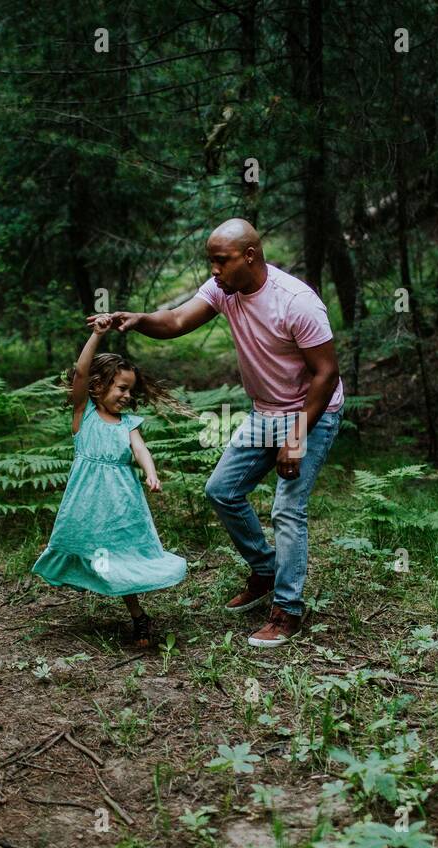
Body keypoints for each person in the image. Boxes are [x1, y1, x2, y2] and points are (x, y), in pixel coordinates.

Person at [95, 218, 343, 648]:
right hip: (264, 412)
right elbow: (174, 321)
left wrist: (296, 437)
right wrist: (136, 320)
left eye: (221, 261)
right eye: (210, 261)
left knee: (287, 509)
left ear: (249, 256)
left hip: (310, 413)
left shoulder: (296, 302)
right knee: (222, 490)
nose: (214, 270)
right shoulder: (225, 291)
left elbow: (326, 373)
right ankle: (266, 570)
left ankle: (287, 611)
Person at [30, 315, 187, 647]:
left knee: (122, 557)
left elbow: (140, 448)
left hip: (121, 505)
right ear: (98, 386)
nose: (128, 395)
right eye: (122, 387)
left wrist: (151, 472)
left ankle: (139, 618)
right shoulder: (83, 414)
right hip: (87, 505)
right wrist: (96, 336)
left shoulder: (127, 422)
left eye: (131, 389)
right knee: (87, 553)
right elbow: (81, 372)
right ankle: (99, 592)